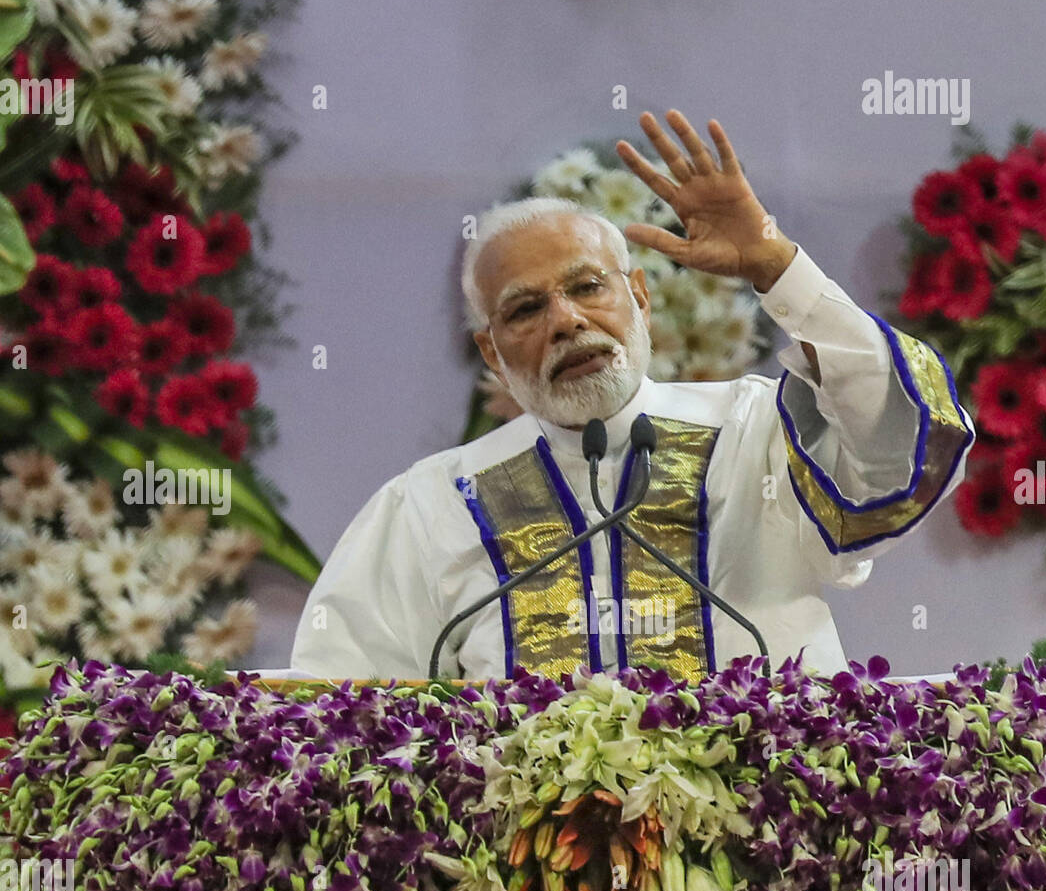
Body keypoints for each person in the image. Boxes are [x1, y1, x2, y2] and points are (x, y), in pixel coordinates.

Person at [291, 110, 974, 683]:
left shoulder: (757, 434)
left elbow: (903, 442)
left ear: (640, 297)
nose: (566, 320)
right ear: (492, 352)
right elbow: (343, 712)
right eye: (527, 309)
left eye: (588, 287)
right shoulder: (429, 507)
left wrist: (777, 266)